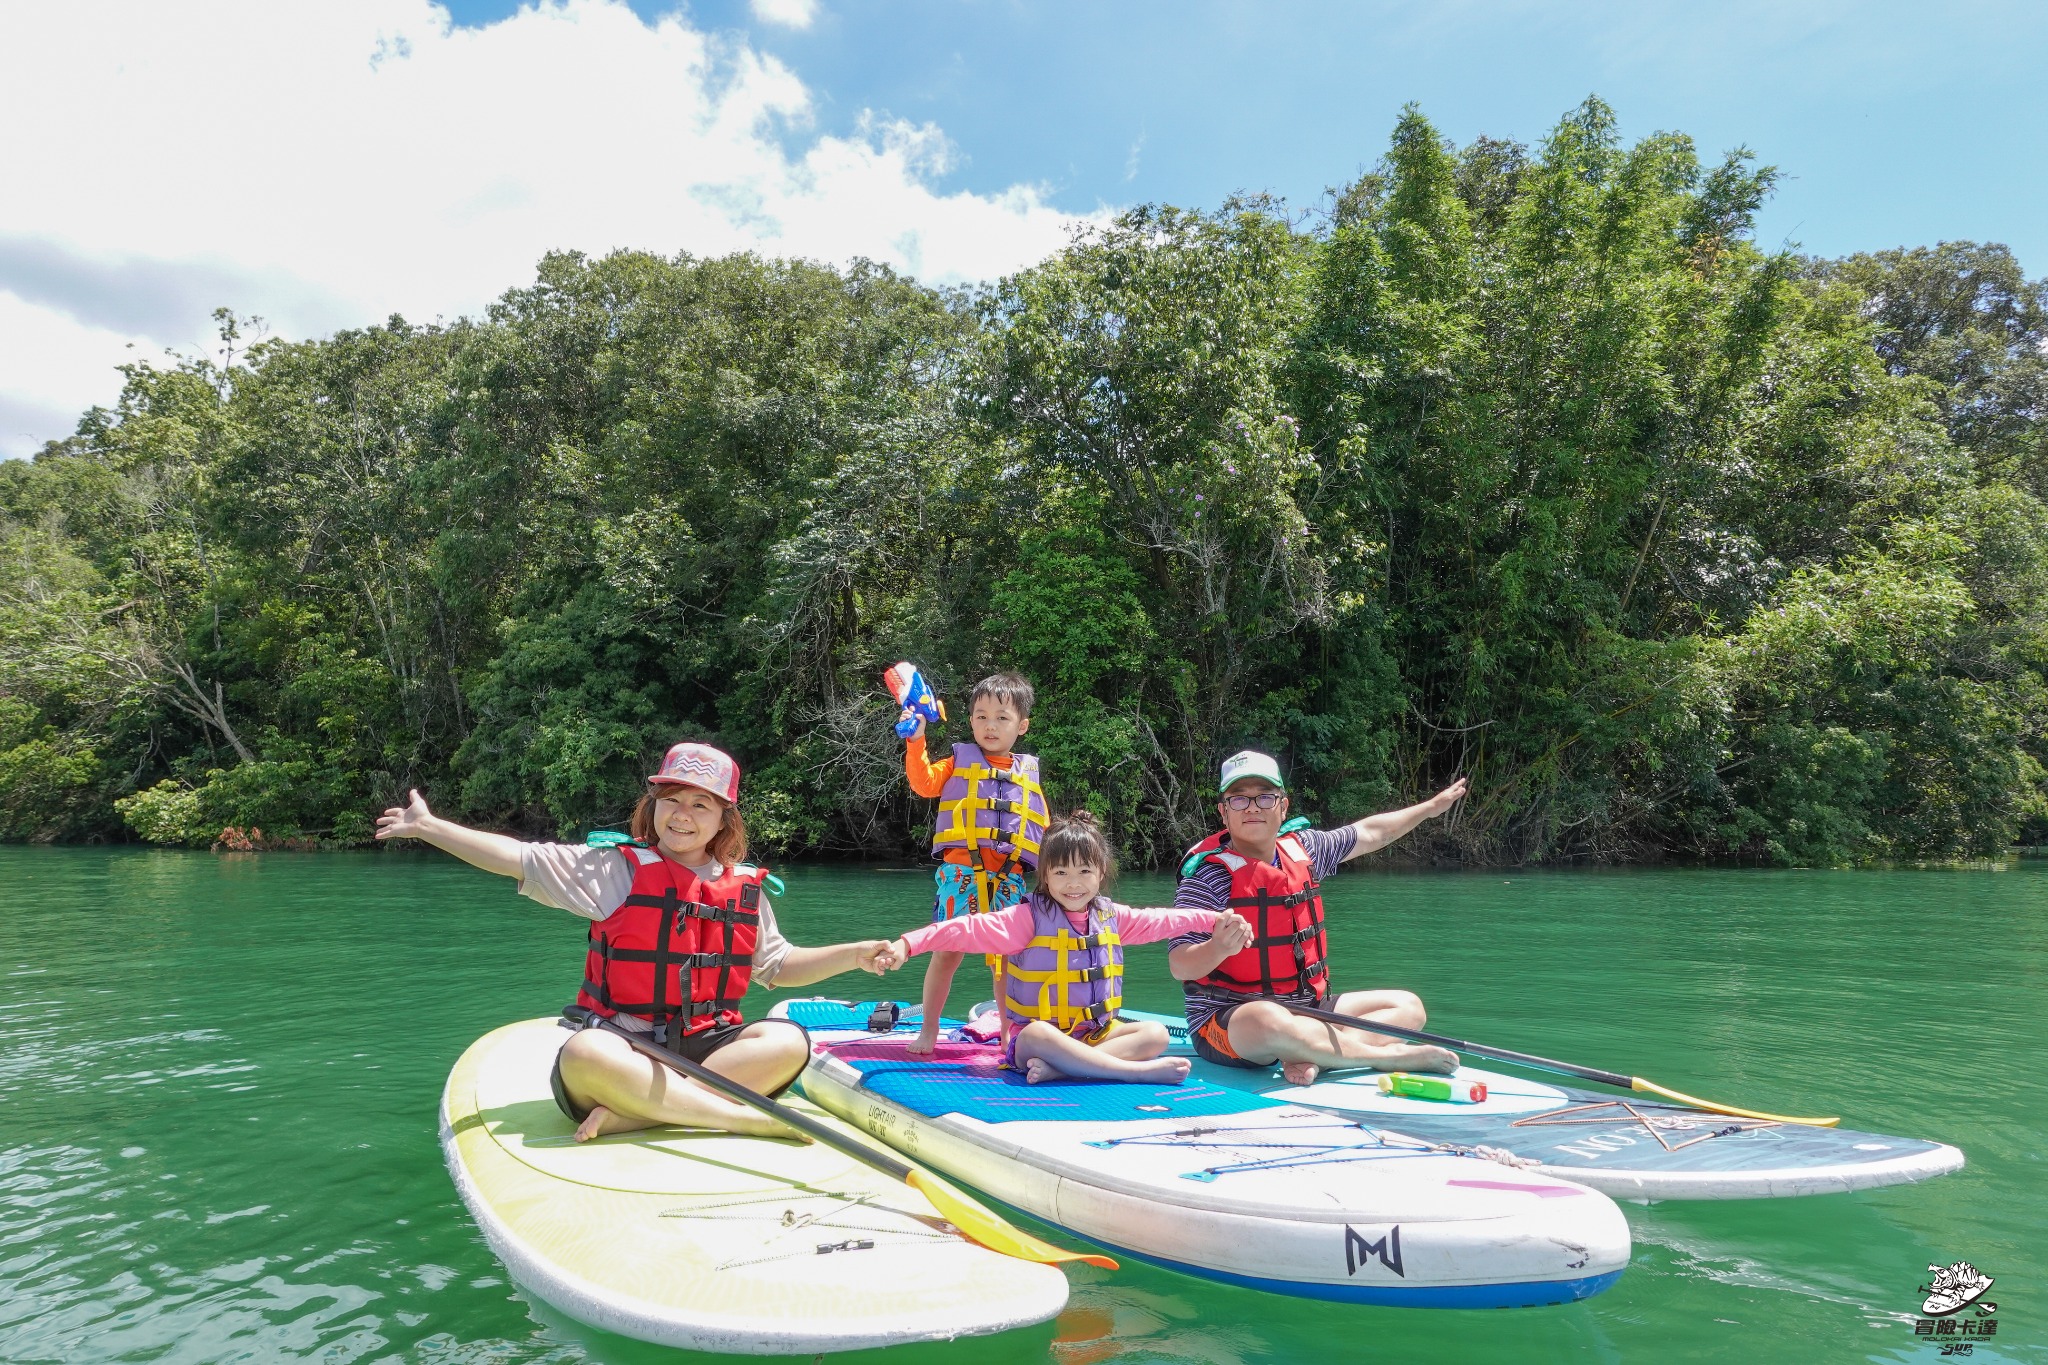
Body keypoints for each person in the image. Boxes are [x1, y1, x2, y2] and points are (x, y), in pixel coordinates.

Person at [374, 741, 889, 1142]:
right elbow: (517, 857)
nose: (681, 815)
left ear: (723, 819)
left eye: (700, 804)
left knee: (789, 1039)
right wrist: (431, 828)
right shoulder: (612, 869)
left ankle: (636, 1117)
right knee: (583, 1053)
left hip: (708, 1048)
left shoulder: (744, 886)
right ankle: (734, 1119)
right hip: (627, 1044)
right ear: (653, 805)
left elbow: (779, 965)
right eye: (670, 800)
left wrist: (852, 954)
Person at [873, 811, 1253, 1084]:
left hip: (1092, 1035)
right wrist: (909, 944)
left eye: (1085, 872)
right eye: (1061, 873)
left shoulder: (1111, 917)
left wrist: (1212, 919)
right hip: (1036, 1043)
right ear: (1045, 877)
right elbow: (961, 929)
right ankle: (1133, 1072)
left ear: (1101, 873)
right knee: (1036, 1034)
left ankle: (1065, 1067)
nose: (1075, 884)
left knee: (1154, 1033)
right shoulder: (1024, 919)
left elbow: (1164, 920)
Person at [1167, 750, 1469, 1088]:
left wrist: (1429, 808)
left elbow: (1371, 833)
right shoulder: (1207, 878)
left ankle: (1318, 1057)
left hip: (1308, 1007)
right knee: (1268, 1019)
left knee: (1408, 1007)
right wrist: (1218, 947)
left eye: (1265, 797)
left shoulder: (1307, 850)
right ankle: (1382, 1056)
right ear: (1224, 812)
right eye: (1239, 800)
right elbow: (1180, 965)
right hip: (1230, 1021)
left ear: (1283, 806)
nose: (1252, 807)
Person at [898, 671, 1050, 1055]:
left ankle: (1006, 1034)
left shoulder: (1028, 774)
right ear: (970, 721)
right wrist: (916, 741)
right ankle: (928, 1029)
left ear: (1023, 725)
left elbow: (1042, 829)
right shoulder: (957, 761)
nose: (990, 725)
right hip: (960, 874)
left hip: (1010, 881)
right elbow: (924, 783)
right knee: (947, 952)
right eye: (981, 716)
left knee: (1006, 961)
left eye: (1001, 717)